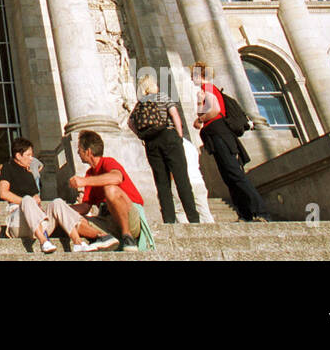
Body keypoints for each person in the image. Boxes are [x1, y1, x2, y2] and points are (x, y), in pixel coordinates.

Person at [0, 137, 118, 253]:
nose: (31, 158)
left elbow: (36, 200)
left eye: (32, 155)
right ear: (18, 156)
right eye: (28, 155)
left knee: (58, 202)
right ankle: (43, 241)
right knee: (28, 200)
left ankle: (78, 243)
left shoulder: (29, 173)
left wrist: (37, 202)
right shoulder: (7, 168)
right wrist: (26, 201)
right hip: (18, 222)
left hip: (36, 222)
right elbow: (3, 193)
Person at [192, 62, 269, 222]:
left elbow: (215, 110)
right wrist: (200, 105)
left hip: (219, 133)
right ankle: (245, 214)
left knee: (235, 173)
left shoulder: (208, 89)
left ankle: (260, 211)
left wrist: (200, 118)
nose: (193, 79)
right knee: (228, 176)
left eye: (194, 75)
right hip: (216, 135)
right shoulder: (204, 91)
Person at [128, 75, 200, 224]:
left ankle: (169, 219)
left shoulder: (140, 103)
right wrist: (179, 136)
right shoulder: (162, 97)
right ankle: (193, 218)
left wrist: (141, 136)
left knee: (162, 183)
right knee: (182, 180)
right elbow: (174, 115)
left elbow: (130, 122)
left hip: (151, 143)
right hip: (169, 136)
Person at [69, 130, 154, 251]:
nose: (78, 152)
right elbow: (85, 207)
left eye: (79, 150)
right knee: (71, 220)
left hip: (129, 218)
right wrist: (62, 209)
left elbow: (117, 178)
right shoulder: (89, 174)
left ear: (88, 152)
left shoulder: (108, 162)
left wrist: (84, 181)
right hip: (107, 221)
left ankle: (127, 237)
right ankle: (103, 238)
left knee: (110, 188)